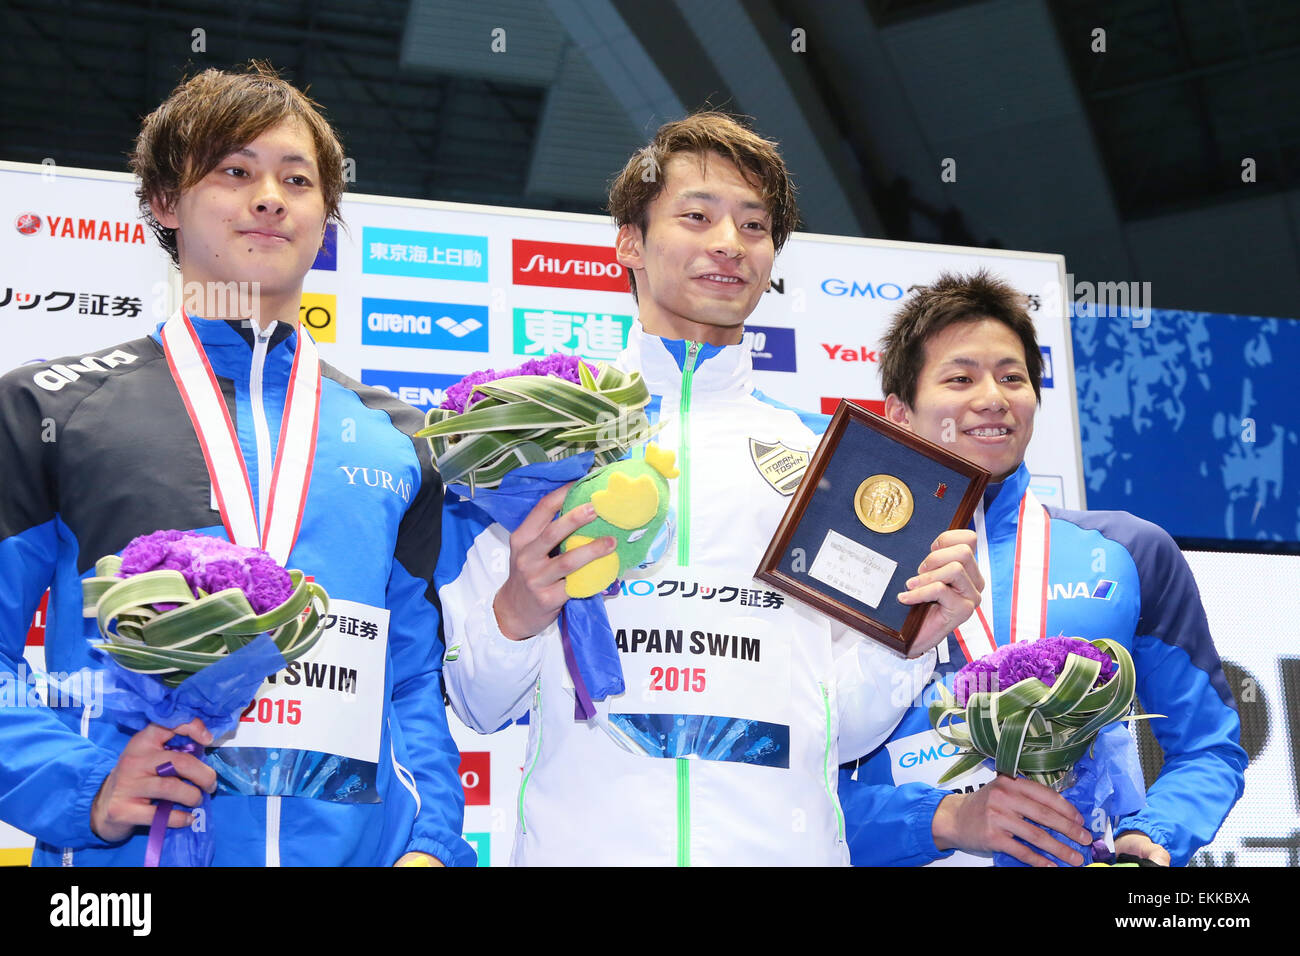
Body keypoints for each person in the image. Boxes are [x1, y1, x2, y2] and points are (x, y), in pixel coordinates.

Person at [435, 112, 984, 865]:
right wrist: (518, 609)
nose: (729, 243)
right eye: (697, 216)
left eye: (754, 226)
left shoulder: (830, 466)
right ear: (628, 239)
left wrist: (910, 646)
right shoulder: (540, 434)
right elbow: (477, 700)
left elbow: (845, 731)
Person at [0, 62, 473, 866]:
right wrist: (84, 785)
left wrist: (429, 843)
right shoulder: (50, 408)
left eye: (298, 179)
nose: (269, 197)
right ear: (163, 203)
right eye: (234, 171)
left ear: (326, 218)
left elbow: (412, 678)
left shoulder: (397, 435)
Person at [838, 270, 1247, 867]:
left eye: (1013, 377)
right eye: (960, 378)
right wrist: (946, 820)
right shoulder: (843, 566)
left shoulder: (1129, 550)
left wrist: (1153, 834)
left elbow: (1209, 747)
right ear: (899, 413)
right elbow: (793, 785)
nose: (993, 398)